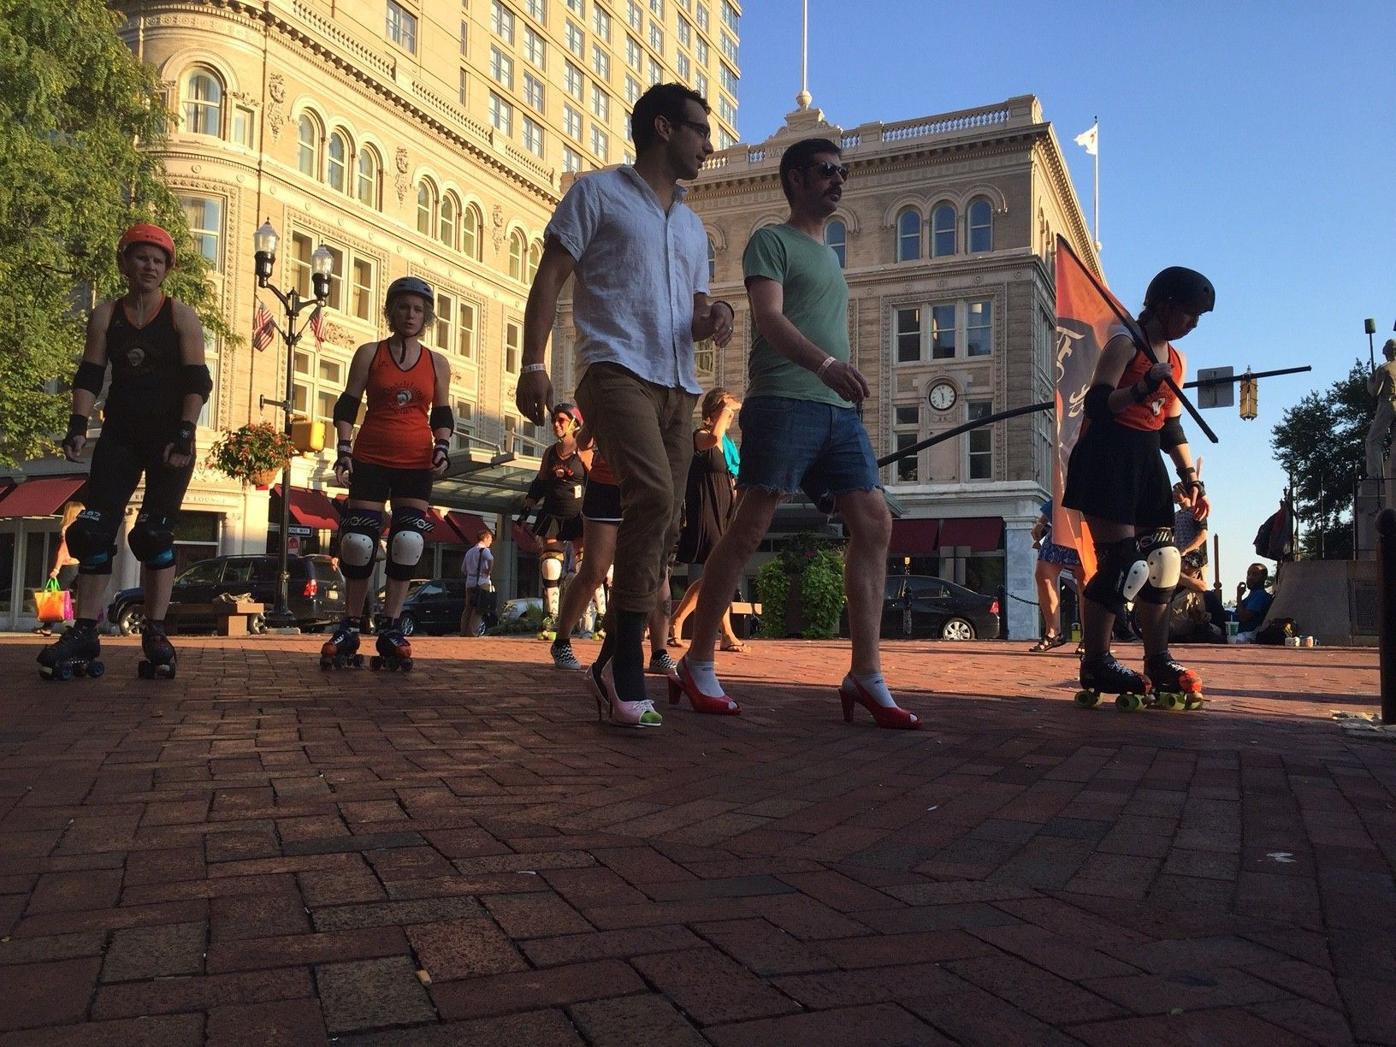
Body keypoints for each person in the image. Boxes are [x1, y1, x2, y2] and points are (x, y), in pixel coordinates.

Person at [677, 137, 920, 729]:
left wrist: (836, 377)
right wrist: (828, 366)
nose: (839, 180)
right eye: (825, 171)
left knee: (875, 522)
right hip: (785, 400)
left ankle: (865, 675)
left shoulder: (832, 256)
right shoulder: (771, 240)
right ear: (794, 180)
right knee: (751, 523)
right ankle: (698, 660)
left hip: (836, 412)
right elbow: (769, 319)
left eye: (843, 171)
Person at [517, 82, 734, 729]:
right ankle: (626, 663)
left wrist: (715, 315)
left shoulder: (694, 228)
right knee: (656, 496)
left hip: (676, 384)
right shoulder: (598, 194)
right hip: (613, 370)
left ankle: (613, 657)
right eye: (700, 129)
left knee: (663, 524)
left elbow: (695, 315)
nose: (709, 144)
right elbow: (551, 274)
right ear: (664, 128)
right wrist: (533, 365)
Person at [40, 224, 210, 681]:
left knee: (153, 534)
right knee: (93, 532)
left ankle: (154, 630)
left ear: (167, 269)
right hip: (120, 434)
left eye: (158, 260)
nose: (150, 266)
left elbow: (198, 381)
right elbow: (90, 374)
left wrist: (186, 432)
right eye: (141, 258)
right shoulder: (105, 315)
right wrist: (78, 425)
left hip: (170, 437)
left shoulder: (180, 315)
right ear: (125, 264)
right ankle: (85, 631)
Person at [1062, 266, 1214, 702]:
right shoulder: (1125, 344)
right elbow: (1097, 403)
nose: (1193, 324)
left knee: (1165, 560)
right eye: (1188, 314)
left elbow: (1171, 426)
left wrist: (1191, 480)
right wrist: (1143, 385)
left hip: (1146, 459)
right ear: (1164, 306)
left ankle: (1158, 658)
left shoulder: (1176, 362)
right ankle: (1096, 662)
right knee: (1123, 565)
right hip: (1108, 455)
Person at [320, 276, 453, 671]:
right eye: (402, 307)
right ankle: (350, 624)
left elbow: (442, 412)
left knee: (408, 541)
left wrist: (442, 446)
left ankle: (392, 627)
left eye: (417, 309)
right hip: (371, 457)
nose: (410, 315)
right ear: (390, 311)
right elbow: (346, 406)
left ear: (426, 316)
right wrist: (344, 451)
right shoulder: (369, 353)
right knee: (358, 543)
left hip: (416, 461)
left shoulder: (436, 362)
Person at [548, 438, 676, 696]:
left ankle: (659, 651)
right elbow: (583, 440)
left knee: (656, 568)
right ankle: (561, 640)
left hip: (648, 482)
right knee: (594, 570)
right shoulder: (608, 398)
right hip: (607, 485)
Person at [669, 387, 746, 651]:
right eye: (725, 411)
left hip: (723, 511)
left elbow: (732, 476)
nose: (730, 416)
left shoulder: (727, 445)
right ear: (712, 411)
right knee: (718, 572)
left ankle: (679, 621)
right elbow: (714, 437)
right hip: (705, 509)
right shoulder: (701, 436)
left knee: (717, 574)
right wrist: (728, 407)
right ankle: (723, 633)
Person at [519, 403, 588, 628]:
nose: (556, 425)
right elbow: (540, 482)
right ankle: (551, 618)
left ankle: (590, 621)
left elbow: (597, 480)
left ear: (574, 423)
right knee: (550, 563)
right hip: (553, 513)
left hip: (578, 513)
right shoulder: (550, 453)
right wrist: (528, 506)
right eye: (554, 421)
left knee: (585, 565)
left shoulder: (584, 450)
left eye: (561, 420)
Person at [1028, 498, 1081, 652]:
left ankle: (1090, 637)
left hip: (1084, 523)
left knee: (1085, 579)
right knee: (1043, 573)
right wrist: (1042, 522)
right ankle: (1053, 632)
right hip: (1060, 524)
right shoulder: (1065, 474)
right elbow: (1060, 493)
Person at [35, 501, 84, 637]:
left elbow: (63, 551)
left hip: (69, 565)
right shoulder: (81, 528)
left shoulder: (67, 528)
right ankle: (86, 624)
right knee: (83, 594)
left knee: (56, 594)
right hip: (81, 564)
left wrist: (56, 569)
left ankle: (48, 626)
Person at [1365, 338, 1396, 479]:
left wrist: (1369, 382)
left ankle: (1377, 476)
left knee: (1373, 441)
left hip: (1387, 405)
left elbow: (1375, 392)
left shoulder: (1384, 369)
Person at [460, 528, 495, 637]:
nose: (491, 541)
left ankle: (463, 631)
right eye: (490, 539)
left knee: (468, 608)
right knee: (479, 608)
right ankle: (472, 633)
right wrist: (488, 571)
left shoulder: (470, 551)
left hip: (469, 582)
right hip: (482, 582)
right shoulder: (484, 550)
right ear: (485, 538)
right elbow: (490, 559)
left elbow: (463, 569)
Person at [1234, 562, 1274, 641]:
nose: (1250, 577)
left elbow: (1244, 617)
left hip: (1246, 634)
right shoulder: (1252, 595)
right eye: (1248, 574)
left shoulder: (1260, 595)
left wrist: (1239, 597)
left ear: (1264, 577)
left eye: (1255, 574)